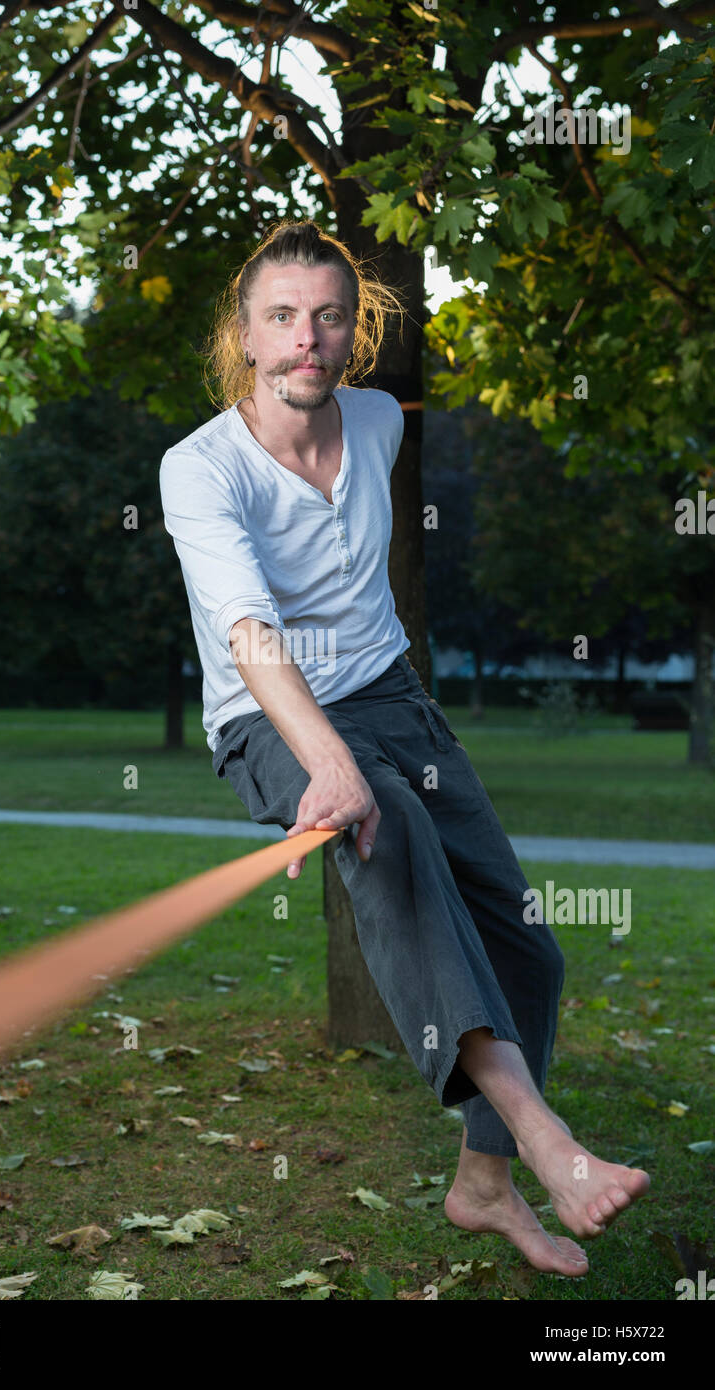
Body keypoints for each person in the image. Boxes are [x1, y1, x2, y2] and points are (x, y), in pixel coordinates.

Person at [159, 219, 650, 1278]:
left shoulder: (378, 419)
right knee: (395, 837)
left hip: (393, 699)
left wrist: (369, 736)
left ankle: (479, 1185)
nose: (307, 338)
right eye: (282, 317)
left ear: (354, 330)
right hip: (268, 715)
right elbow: (246, 631)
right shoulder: (198, 469)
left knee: (527, 950)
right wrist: (328, 764)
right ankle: (541, 1140)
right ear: (244, 335)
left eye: (328, 317)